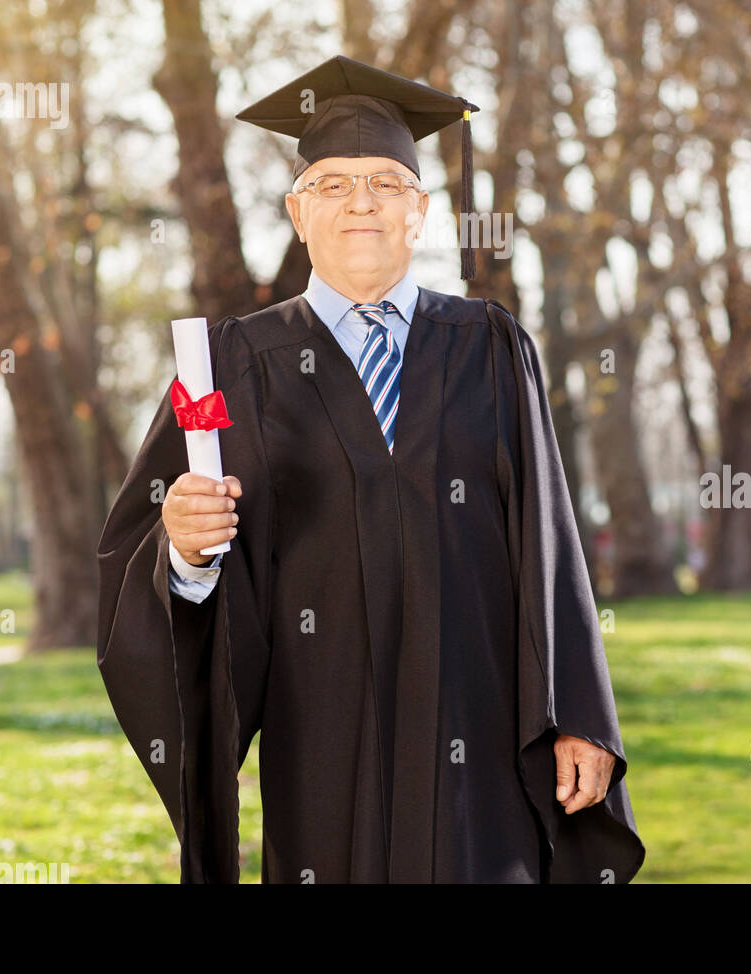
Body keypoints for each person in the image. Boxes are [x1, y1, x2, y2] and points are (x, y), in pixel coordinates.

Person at [96, 54, 645, 884]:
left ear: (419, 212)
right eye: (333, 185)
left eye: (387, 184)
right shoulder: (233, 365)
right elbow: (152, 563)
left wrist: (580, 716)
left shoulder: (491, 346)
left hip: (481, 729)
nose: (362, 203)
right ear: (296, 213)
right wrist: (186, 554)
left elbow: (550, 541)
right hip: (321, 742)